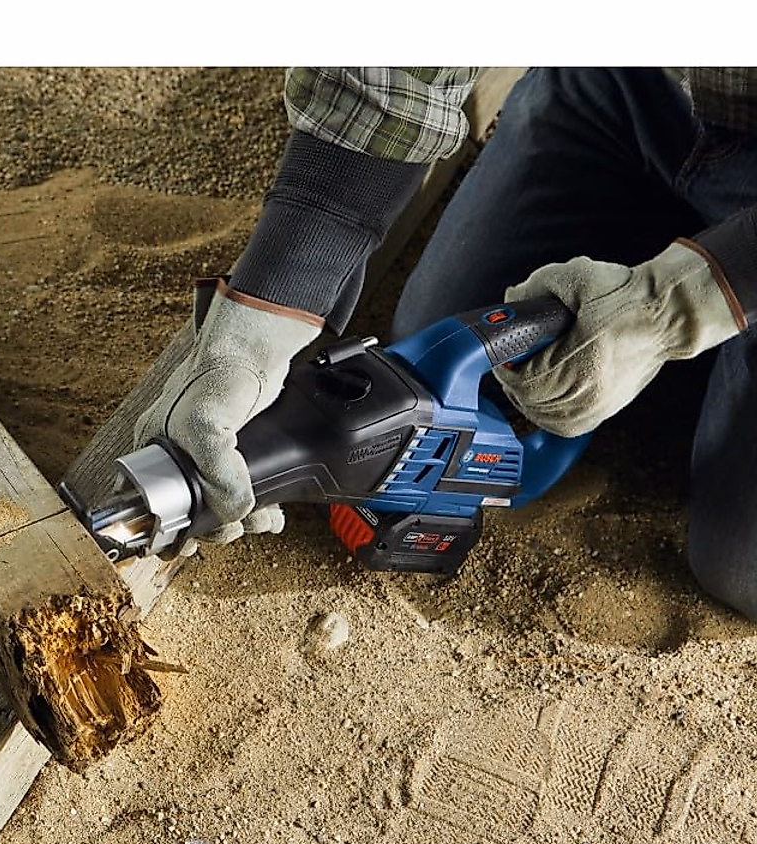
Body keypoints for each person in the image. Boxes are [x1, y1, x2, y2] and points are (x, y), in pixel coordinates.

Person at [133, 67, 757, 618]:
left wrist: (676, 305)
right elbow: (395, 69)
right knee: (433, 337)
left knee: (740, 563)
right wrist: (269, 305)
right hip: (631, 83)